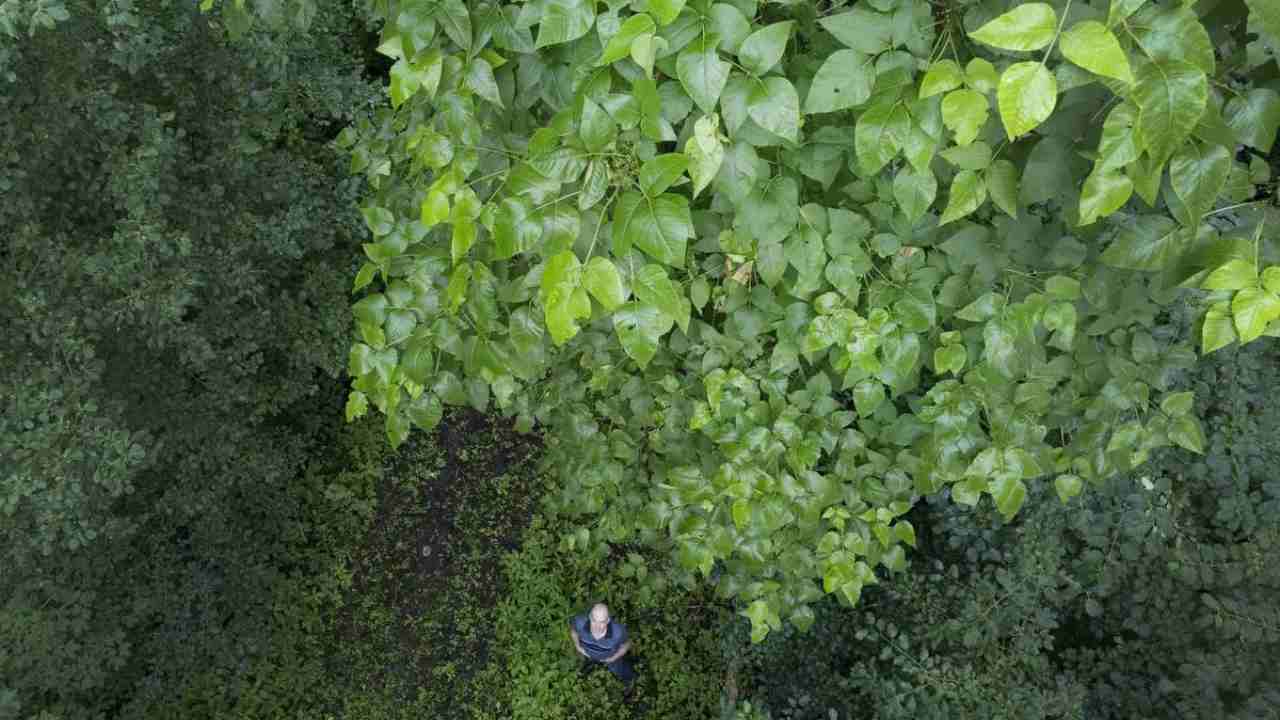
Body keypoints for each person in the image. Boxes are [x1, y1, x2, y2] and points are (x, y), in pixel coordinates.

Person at [568, 602, 636, 693]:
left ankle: (630, 681)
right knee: (586, 663)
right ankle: (591, 664)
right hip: (588, 654)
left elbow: (627, 644)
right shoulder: (580, 622)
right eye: (594, 620)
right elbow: (573, 631)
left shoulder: (618, 632)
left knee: (621, 670)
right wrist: (577, 646)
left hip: (610, 658)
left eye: (602, 622)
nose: (597, 626)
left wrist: (614, 658)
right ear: (589, 617)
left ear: (608, 621)